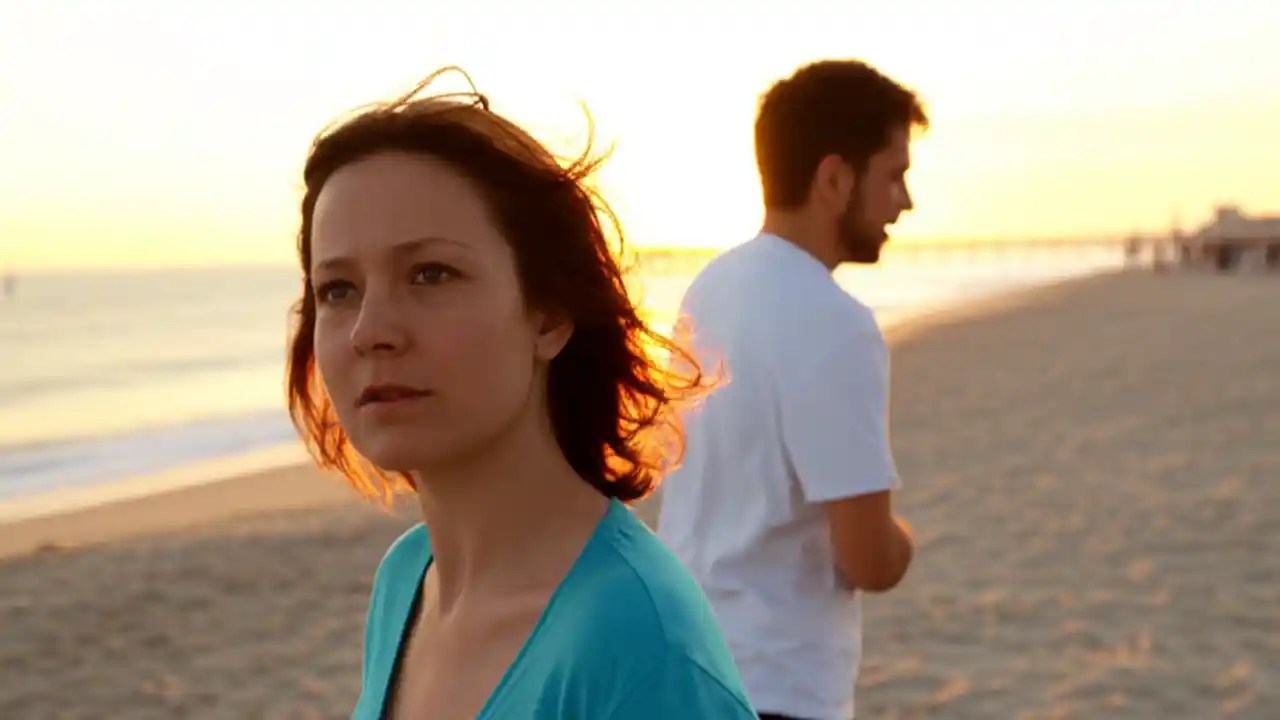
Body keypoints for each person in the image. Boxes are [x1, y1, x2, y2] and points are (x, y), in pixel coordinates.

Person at [286, 67, 757, 720]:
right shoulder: (408, 579)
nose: (371, 332)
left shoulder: (640, 644)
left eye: (430, 274)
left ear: (548, 315)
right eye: (338, 289)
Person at [656, 59, 927, 720]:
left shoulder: (709, 288)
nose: (905, 202)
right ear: (834, 178)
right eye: (895, 175)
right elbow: (868, 558)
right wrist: (905, 541)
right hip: (777, 688)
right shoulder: (836, 322)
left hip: (680, 667)